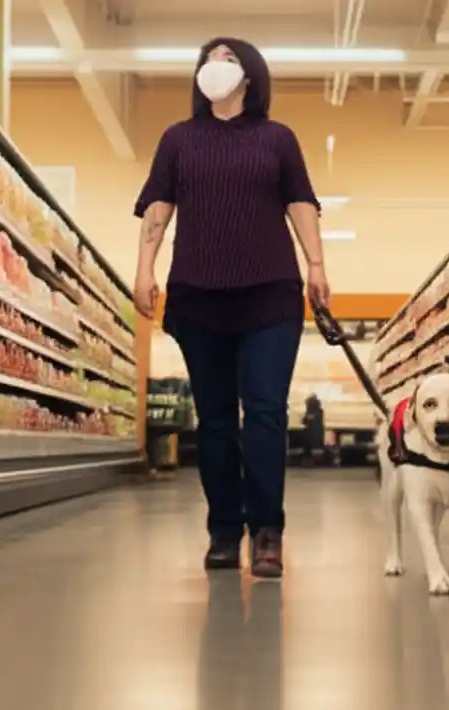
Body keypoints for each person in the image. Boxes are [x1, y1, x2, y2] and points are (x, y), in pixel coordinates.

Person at [133, 37, 330, 579]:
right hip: (199, 295)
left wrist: (316, 265)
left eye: (229, 59)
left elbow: (301, 203)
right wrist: (144, 268)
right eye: (208, 59)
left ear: (251, 76)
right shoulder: (178, 139)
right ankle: (224, 530)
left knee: (265, 411)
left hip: (271, 294)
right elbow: (158, 207)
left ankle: (267, 531)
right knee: (216, 420)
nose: (215, 66)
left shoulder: (277, 138)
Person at [301, 394, 325, 467]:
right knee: (307, 446)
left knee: (308, 445)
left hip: (313, 432)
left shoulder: (315, 412)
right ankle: (308, 460)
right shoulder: (317, 411)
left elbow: (306, 420)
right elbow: (305, 420)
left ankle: (308, 461)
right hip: (313, 431)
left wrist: (307, 419)